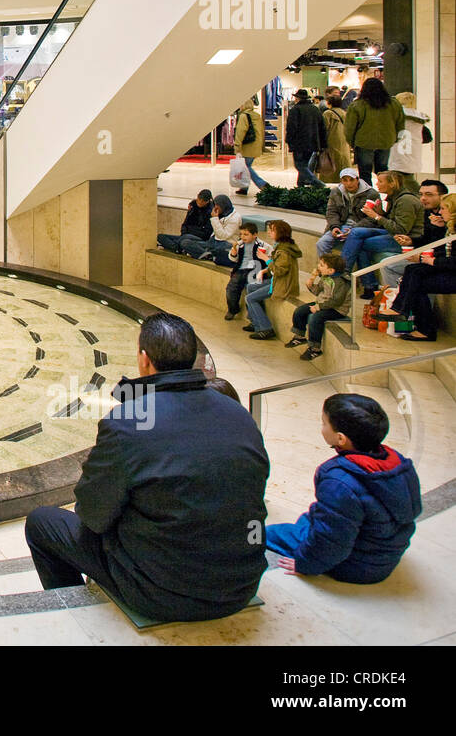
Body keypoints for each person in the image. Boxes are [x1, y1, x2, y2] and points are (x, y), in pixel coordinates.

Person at [26, 313, 269, 622]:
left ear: (144, 358)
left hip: (162, 593)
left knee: (42, 522)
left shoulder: (128, 423)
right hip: (241, 582)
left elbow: (91, 513)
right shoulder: (237, 413)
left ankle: (76, 620)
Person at [266, 394, 421, 584]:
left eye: (323, 423)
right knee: (313, 519)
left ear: (340, 438)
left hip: (358, 566)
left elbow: (332, 543)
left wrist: (304, 564)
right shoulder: (397, 461)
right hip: (385, 553)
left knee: (264, 534)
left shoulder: (339, 482)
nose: (321, 427)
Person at [380, 193, 456, 341]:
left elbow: (452, 259)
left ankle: (405, 313)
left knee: (417, 281)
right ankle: (402, 311)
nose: (440, 212)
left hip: (451, 272)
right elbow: (438, 246)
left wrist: (431, 261)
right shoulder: (448, 228)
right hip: (446, 267)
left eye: (443, 209)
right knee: (412, 271)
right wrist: (437, 228)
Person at [342, 170, 424, 297]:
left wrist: (376, 216)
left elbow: (401, 230)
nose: (377, 184)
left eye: (380, 181)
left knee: (360, 244)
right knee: (356, 232)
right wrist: (381, 213)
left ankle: (348, 274)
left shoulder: (406, 200)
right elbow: (392, 222)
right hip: (392, 233)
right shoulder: (394, 197)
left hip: (406, 239)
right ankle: (352, 274)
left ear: (392, 184)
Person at [286, 250, 352, 361]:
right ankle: (300, 336)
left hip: (336, 309)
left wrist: (318, 308)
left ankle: (315, 348)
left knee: (315, 318)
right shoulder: (325, 277)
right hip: (323, 304)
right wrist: (311, 282)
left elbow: (337, 301)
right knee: (300, 311)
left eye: (321, 265)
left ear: (331, 270)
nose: (318, 266)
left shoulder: (340, 282)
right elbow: (318, 292)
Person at [244, 219, 301, 340]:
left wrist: (266, 259)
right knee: (250, 287)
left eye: (272, 230)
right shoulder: (281, 247)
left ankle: (265, 328)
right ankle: (255, 322)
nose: (269, 233)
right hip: (276, 281)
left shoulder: (284, 251)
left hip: (282, 285)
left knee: (250, 298)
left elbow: (279, 270)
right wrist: (264, 270)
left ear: (280, 233)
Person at [345, 76, 404, 186]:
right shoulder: (394, 104)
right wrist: (395, 138)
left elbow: (349, 128)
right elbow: (400, 123)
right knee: (383, 170)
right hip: (386, 141)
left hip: (364, 142)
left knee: (364, 171)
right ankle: (387, 192)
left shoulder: (357, 105)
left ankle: (368, 194)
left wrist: (352, 143)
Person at [317, 167, 380, 257]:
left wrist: (354, 229)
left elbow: (372, 218)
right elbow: (331, 212)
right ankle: (327, 269)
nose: (348, 183)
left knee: (352, 250)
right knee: (321, 243)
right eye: (345, 180)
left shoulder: (371, 193)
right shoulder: (336, 192)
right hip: (341, 225)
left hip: (360, 227)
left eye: (351, 180)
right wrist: (334, 226)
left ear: (357, 180)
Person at [224, 221, 269, 322]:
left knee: (252, 289)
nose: (243, 237)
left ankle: (253, 318)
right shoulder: (239, 245)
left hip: (255, 270)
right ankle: (233, 309)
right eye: (241, 234)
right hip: (241, 270)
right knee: (231, 288)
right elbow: (233, 260)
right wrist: (234, 253)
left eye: (246, 234)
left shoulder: (263, 245)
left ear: (255, 235)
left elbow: (270, 259)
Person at [180, 193, 238, 264]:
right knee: (185, 242)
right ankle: (207, 254)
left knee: (218, 250)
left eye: (217, 205)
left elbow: (222, 236)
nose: (215, 207)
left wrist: (214, 218)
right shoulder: (221, 213)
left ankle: (205, 254)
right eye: (215, 205)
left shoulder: (235, 218)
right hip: (212, 242)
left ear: (223, 206)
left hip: (225, 244)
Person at [285, 89, 326, 188]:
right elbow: (322, 127)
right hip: (313, 142)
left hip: (299, 142)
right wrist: (323, 143)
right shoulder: (315, 109)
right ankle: (300, 184)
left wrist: (289, 140)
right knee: (304, 164)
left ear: (297, 98)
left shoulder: (295, 110)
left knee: (299, 165)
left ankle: (316, 182)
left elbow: (291, 127)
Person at [157, 189, 212, 254]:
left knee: (185, 241)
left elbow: (206, 234)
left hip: (197, 238)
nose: (200, 202)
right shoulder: (193, 206)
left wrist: (189, 232)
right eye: (199, 199)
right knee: (160, 236)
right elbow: (185, 223)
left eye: (203, 201)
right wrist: (184, 232)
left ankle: (178, 247)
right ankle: (180, 248)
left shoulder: (210, 212)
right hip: (185, 235)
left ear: (207, 201)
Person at [390, 91, 432, 178]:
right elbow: (427, 138)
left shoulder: (395, 117)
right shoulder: (418, 120)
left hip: (396, 156)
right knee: (406, 178)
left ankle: (418, 192)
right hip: (412, 155)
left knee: (403, 182)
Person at [233, 98, 266, 192]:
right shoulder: (257, 116)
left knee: (245, 167)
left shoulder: (243, 116)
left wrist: (237, 146)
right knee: (246, 166)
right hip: (255, 146)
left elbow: (240, 132)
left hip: (247, 147)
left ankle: (262, 184)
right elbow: (261, 132)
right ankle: (244, 187)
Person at [321, 94, 352, 176]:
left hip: (332, 139)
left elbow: (324, 128)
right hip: (344, 140)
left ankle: (332, 177)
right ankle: (344, 177)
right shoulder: (345, 113)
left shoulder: (328, 113)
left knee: (332, 160)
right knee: (343, 159)